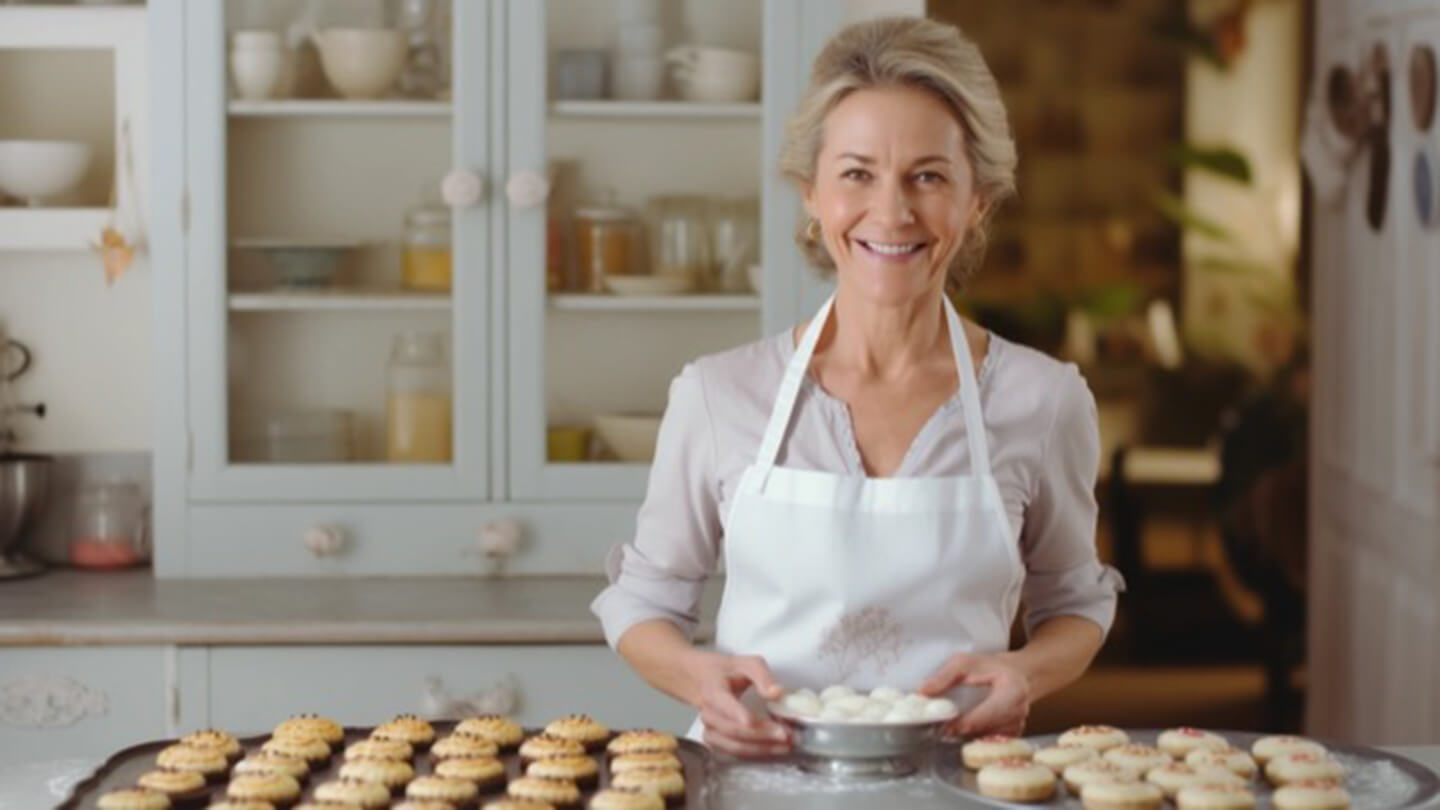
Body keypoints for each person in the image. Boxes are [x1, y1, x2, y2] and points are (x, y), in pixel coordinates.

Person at [591, 15, 1122, 757]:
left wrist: (1024, 674)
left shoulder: (1043, 400)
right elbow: (643, 604)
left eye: (928, 177)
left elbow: (1075, 602)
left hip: (953, 786)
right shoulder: (717, 395)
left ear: (979, 202)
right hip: (753, 789)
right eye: (857, 173)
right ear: (812, 194)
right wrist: (698, 679)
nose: (892, 212)